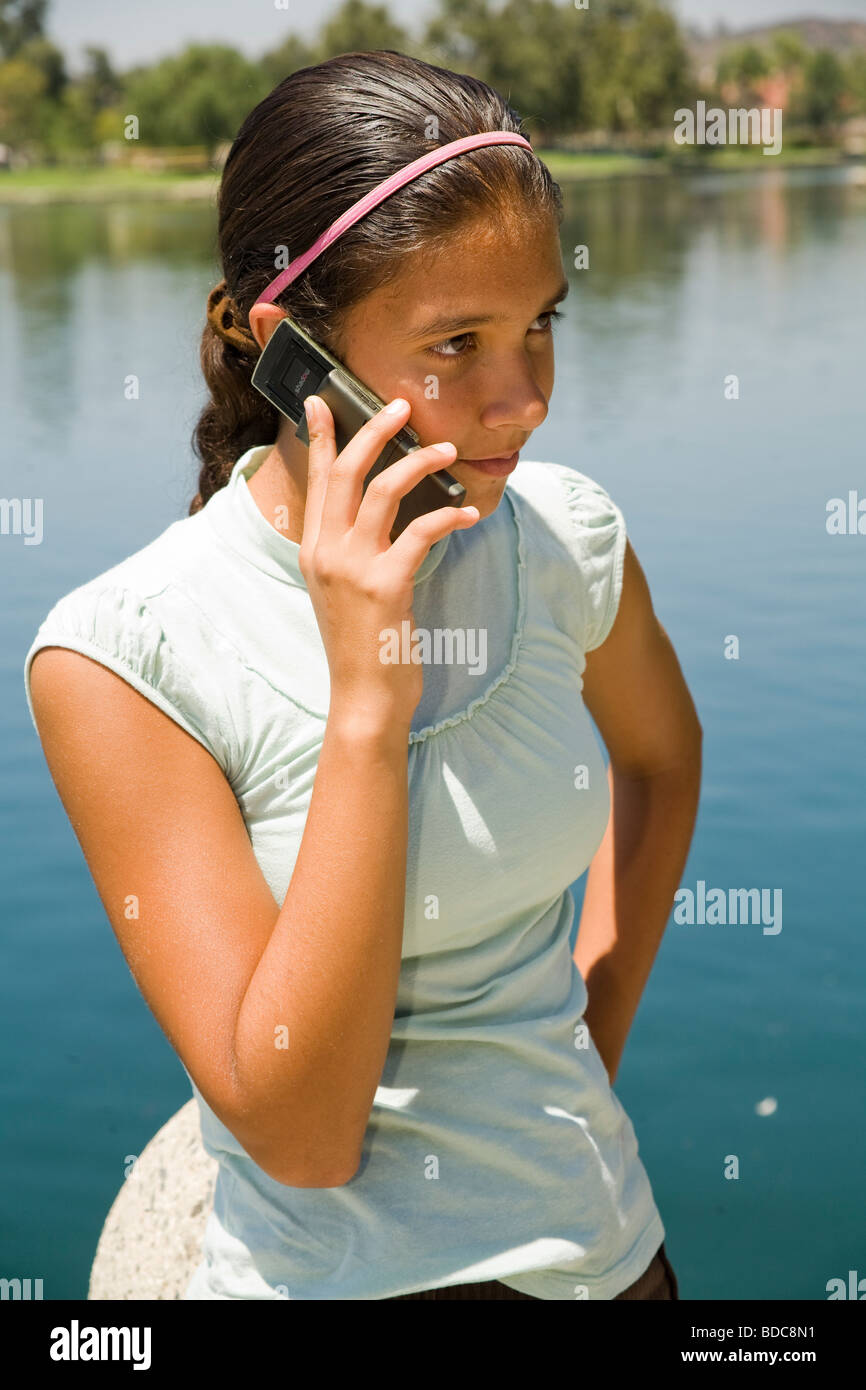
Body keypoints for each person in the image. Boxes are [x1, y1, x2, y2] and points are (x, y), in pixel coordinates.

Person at [23, 50, 701, 1300]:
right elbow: (303, 1136)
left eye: (540, 323)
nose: (525, 400)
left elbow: (662, 759)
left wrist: (586, 1033)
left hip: (616, 1269)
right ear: (290, 350)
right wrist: (369, 695)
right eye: (457, 343)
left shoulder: (564, 540)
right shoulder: (123, 653)